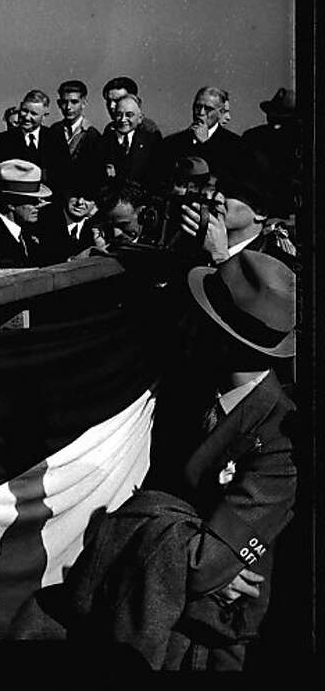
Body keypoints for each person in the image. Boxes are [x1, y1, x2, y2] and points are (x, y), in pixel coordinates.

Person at [15, 250, 297, 670]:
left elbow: (204, 567)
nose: (189, 325)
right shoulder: (192, 387)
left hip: (206, 636)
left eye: (201, 319)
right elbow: (206, 563)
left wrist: (133, 518)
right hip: (152, 596)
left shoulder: (278, 442)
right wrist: (194, 550)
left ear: (223, 337)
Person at [152, 87, 255, 193]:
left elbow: (232, 182)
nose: (201, 113)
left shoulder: (236, 145)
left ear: (221, 113)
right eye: (197, 107)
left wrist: (206, 144)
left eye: (208, 109)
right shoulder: (171, 143)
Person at [0, 89, 70, 189]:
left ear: (44, 116)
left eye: (34, 113)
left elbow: (65, 176)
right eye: (24, 111)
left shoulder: (56, 139)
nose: (27, 117)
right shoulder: (2, 141)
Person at [241, 87, 298, 219]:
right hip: (257, 211)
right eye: (272, 116)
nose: (275, 123)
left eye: (282, 119)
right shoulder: (252, 138)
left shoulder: (302, 143)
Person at [91, 92, 162, 190]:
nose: (123, 119)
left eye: (129, 115)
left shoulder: (151, 142)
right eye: (119, 114)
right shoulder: (103, 142)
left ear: (140, 118)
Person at [0, 158, 56, 266]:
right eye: (32, 201)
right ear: (10, 203)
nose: (39, 206)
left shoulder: (28, 231)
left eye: (39, 200)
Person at [53, 79, 101, 171]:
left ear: (84, 103)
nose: (68, 107)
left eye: (74, 102)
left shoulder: (93, 135)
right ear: (59, 103)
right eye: (64, 102)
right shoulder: (54, 130)